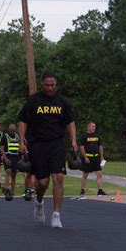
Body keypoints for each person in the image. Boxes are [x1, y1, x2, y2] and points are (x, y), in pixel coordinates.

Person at [18, 71, 77, 229]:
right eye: (47, 85)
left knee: (58, 177)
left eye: (53, 85)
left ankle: (56, 215)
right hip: (37, 144)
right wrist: (21, 140)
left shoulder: (62, 101)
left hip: (57, 143)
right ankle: (39, 202)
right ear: (42, 84)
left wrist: (73, 141)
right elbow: (23, 121)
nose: (50, 88)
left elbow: (70, 122)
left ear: (56, 85)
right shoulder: (33, 100)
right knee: (43, 182)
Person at [79, 122, 108, 198]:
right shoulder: (84, 136)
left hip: (96, 158)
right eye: (92, 126)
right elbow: (81, 147)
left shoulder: (97, 136)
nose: (94, 128)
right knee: (85, 174)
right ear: (88, 127)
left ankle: (100, 191)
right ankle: (82, 190)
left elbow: (100, 146)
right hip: (88, 158)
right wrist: (85, 157)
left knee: (99, 174)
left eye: (94, 126)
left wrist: (101, 156)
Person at [0, 123, 20, 199]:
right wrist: (5, 158)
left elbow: (19, 147)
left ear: (15, 130)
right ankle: (7, 190)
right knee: (8, 171)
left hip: (15, 157)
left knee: (14, 174)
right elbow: (2, 148)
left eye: (13, 130)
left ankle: (12, 191)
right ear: (9, 129)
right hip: (8, 156)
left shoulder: (17, 137)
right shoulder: (5, 136)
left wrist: (20, 158)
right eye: (11, 130)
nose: (12, 131)